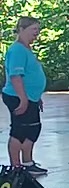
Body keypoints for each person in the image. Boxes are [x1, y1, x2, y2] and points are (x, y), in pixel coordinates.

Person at [3, 17, 48, 176]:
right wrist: (23, 99)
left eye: (38, 29)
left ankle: (28, 163)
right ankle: (16, 167)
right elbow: (16, 76)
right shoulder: (17, 50)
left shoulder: (26, 48)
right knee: (19, 131)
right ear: (21, 29)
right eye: (33, 29)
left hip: (30, 97)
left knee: (33, 128)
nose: (37, 33)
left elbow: (30, 75)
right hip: (17, 96)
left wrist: (36, 96)